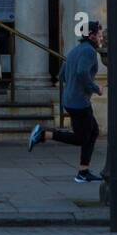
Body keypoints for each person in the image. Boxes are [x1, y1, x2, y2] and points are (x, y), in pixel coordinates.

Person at [28, 20, 104, 183]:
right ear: (91, 36)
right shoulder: (89, 52)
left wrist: (74, 87)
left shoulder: (75, 50)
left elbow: (62, 75)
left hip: (72, 99)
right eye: (99, 35)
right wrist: (96, 88)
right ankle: (44, 134)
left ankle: (83, 173)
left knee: (92, 132)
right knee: (81, 138)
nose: (101, 38)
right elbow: (82, 72)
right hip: (79, 102)